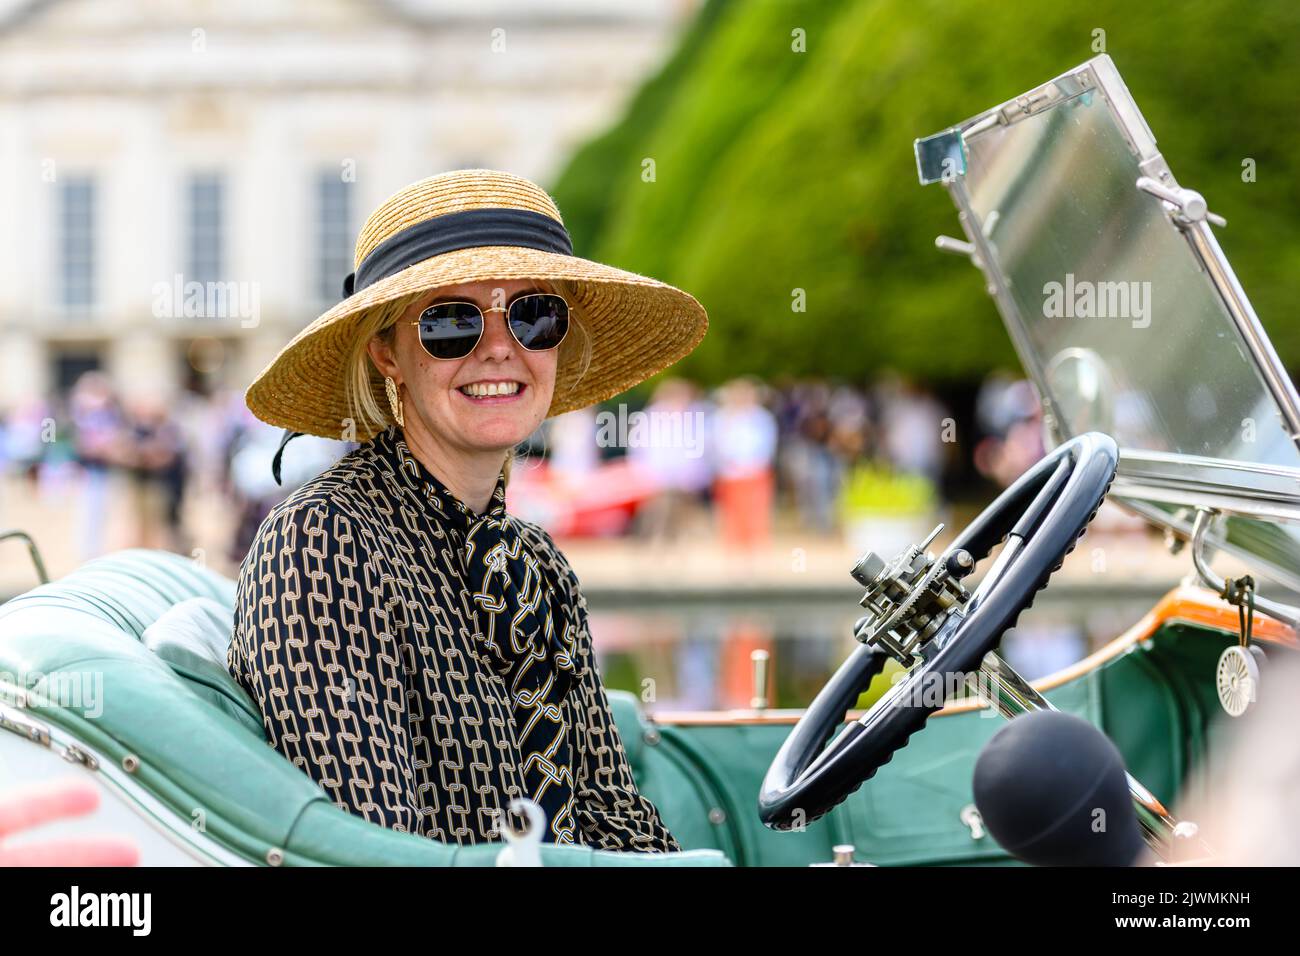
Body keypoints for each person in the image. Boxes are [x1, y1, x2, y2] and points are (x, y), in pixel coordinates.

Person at [227, 169, 708, 850]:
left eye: (534, 315)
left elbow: (609, 810)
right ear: (387, 353)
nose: (500, 348)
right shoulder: (322, 543)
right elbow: (372, 852)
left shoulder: (538, 563)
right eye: (452, 321)